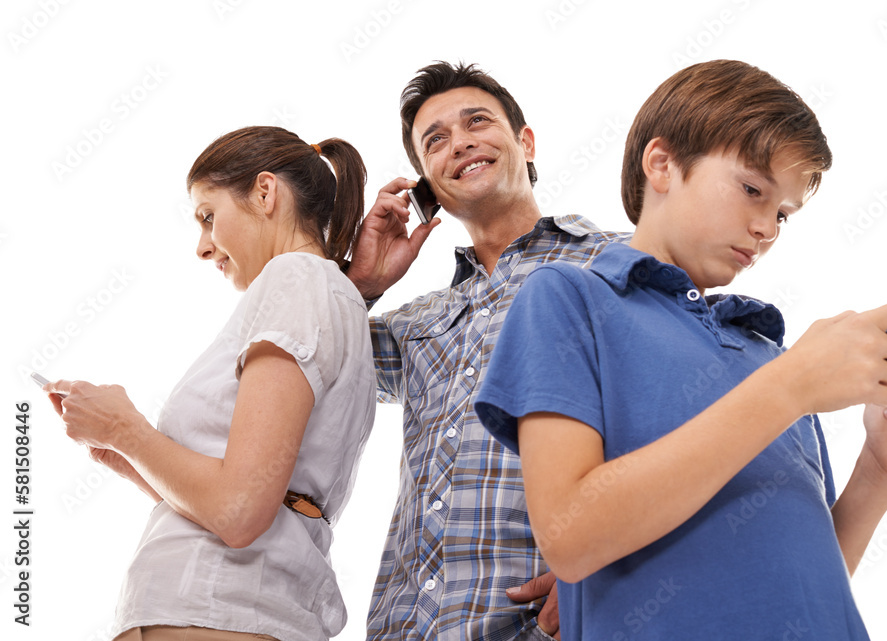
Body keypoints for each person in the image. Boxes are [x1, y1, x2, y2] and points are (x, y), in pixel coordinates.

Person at [474, 59, 887, 640]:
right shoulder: (570, 298)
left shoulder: (768, 355)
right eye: (752, 189)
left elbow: (808, 571)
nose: (768, 229)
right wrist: (793, 387)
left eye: (783, 212)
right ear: (661, 164)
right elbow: (571, 538)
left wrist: (882, 467)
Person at [44, 126, 377, 641]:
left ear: (265, 193)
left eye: (207, 216)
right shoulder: (321, 292)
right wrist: (129, 455)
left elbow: (239, 512)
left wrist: (127, 430)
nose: (202, 247)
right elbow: (252, 495)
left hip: (218, 609)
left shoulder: (297, 279)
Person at [344, 61, 629, 640]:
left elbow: (699, 422)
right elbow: (311, 357)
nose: (461, 142)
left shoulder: (620, 264)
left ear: (525, 143)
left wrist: (608, 559)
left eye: (477, 121)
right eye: (437, 141)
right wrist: (364, 284)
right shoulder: (418, 322)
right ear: (428, 187)